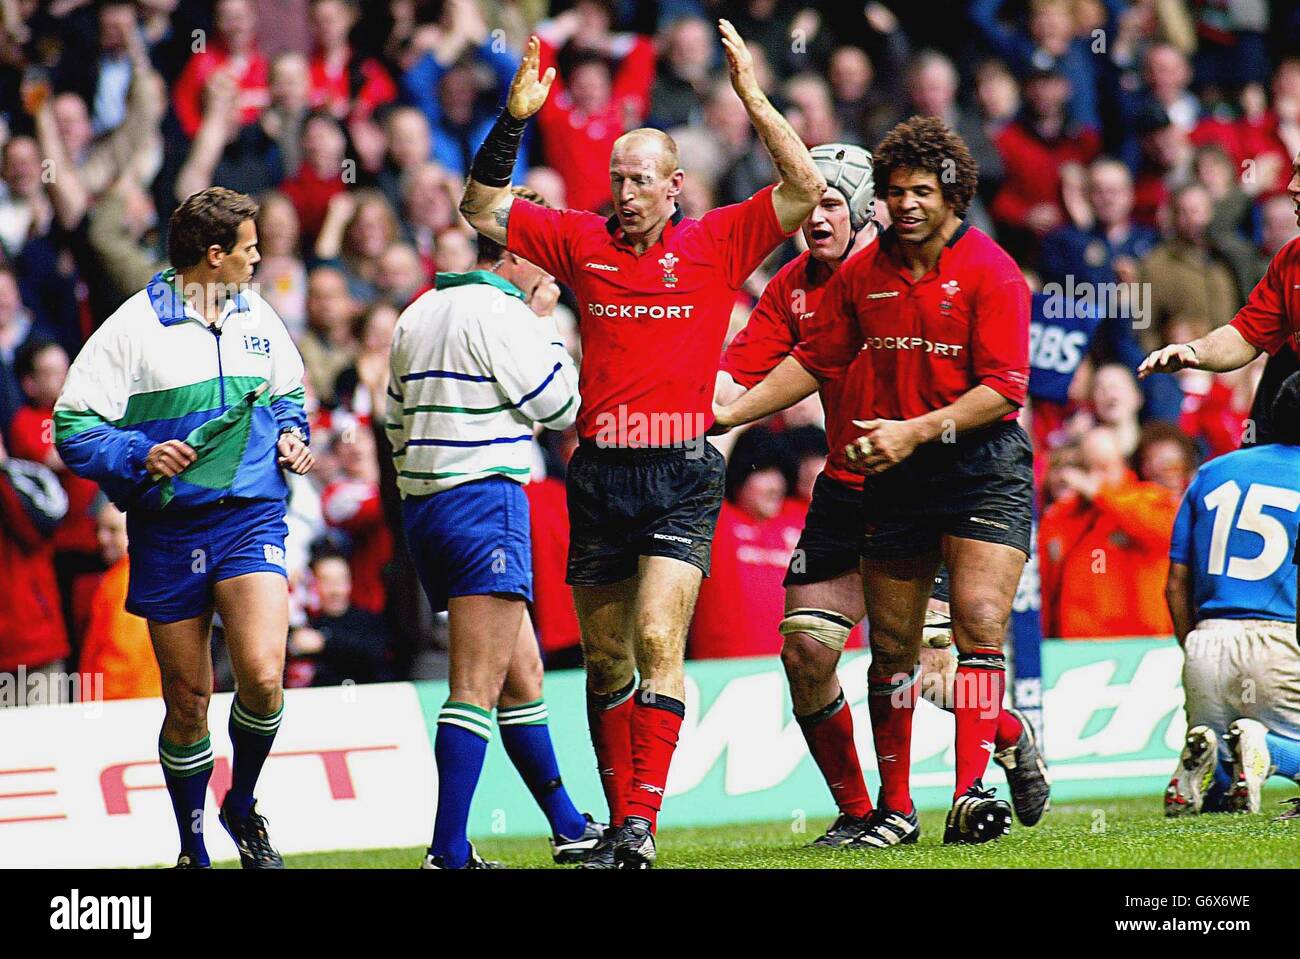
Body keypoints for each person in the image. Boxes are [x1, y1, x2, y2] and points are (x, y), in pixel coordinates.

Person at [457, 23, 824, 868]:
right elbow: (480, 208)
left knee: (661, 638)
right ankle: (621, 824)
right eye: (617, 177)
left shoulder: (716, 242)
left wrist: (752, 96)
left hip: (683, 470)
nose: (624, 191)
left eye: (639, 179)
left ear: (676, 186)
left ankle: (643, 826)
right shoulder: (580, 242)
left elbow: (802, 186)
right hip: (600, 474)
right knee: (604, 659)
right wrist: (514, 122)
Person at [713, 142, 1049, 846]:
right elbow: (771, 367)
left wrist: (913, 432)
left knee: (944, 659)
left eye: (831, 201)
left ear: (866, 206)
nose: (815, 217)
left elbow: (1006, 387)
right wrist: (712, 409)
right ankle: (868, 810)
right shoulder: (804, 287)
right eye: (806, 203)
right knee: (809, 653)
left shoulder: (975, 267)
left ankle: (984, 766)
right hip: (849, 487)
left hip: (951, 472)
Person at [53, 187, 314, 869]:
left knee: (262, 675)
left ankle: (242, 800)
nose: (261, 259)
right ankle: (193, 846)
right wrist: (140, 452)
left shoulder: (258, 315)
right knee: (189, 699)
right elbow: (73, 427)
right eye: (250, 248)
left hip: (250, 515)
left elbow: (289, 392)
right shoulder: (131, 329)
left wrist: (291, 435)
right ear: (214, 255)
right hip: (168, 530)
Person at [388, 186, 602, 870]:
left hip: (425, 510)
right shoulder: (505, 314)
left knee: (522, 673)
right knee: (475, 686)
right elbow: (563, 405)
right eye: (544, 259)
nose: (552, 276)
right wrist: (545, 323)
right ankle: (448, 850)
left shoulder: (417, 312)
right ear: (514, 253)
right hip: (485, 504)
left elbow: (392, 419)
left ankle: (568, 824)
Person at [1165, 372, 1300, 820]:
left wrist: (1192, 645)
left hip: (1208, 640)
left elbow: (1176, 583)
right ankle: (1272, 751)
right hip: (1279, 639)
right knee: (1264, 748)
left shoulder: (1213, 471)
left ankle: (1210, 766)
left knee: (1227, 800)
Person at [1038, 427, 1179, 638]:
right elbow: (1047, 589)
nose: (1095, 476)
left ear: (1122, 464)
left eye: (1104, 467)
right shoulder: (1061, 516)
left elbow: (1161, 534)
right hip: (1076, 647)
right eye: (1087, 468)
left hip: (1144, 643)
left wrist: (1100, 495)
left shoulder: (1150, 499)